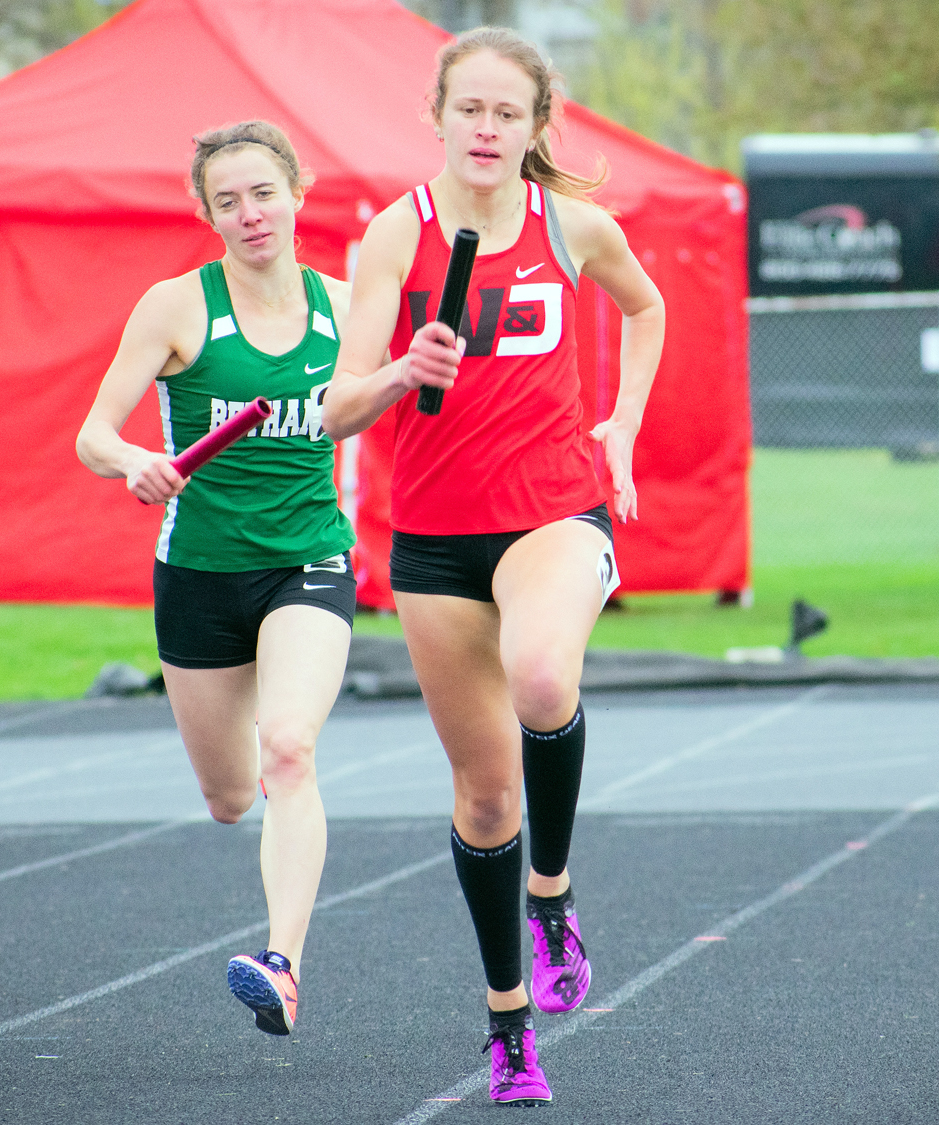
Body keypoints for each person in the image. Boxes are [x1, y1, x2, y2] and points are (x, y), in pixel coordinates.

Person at [323, 26, 664, 1108]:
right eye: (468, 109)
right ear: (435, 116)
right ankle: (509, 1021)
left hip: (552, 511)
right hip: (433, 541)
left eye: (505, 113)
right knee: (482, 798)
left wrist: (620, 426)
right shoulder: (396, 233)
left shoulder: (572, 225)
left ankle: (551, 894)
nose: (484, 128)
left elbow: (646, 306)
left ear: (535, 125)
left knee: (543, 679)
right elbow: (335, 406)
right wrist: (399, 371)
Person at [76, 120, 354, 1040]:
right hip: (198, 573)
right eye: (228, 201)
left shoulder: (347, 308)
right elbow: (94, 434)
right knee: (232, 796)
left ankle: (283, 964)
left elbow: (409, 398)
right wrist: (136, 462)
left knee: (289, 750)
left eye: (264, 193)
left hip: (309, 559)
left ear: (298, 194)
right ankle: (252, 782)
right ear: (207, 213)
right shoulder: (175, 307)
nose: (250, 214)